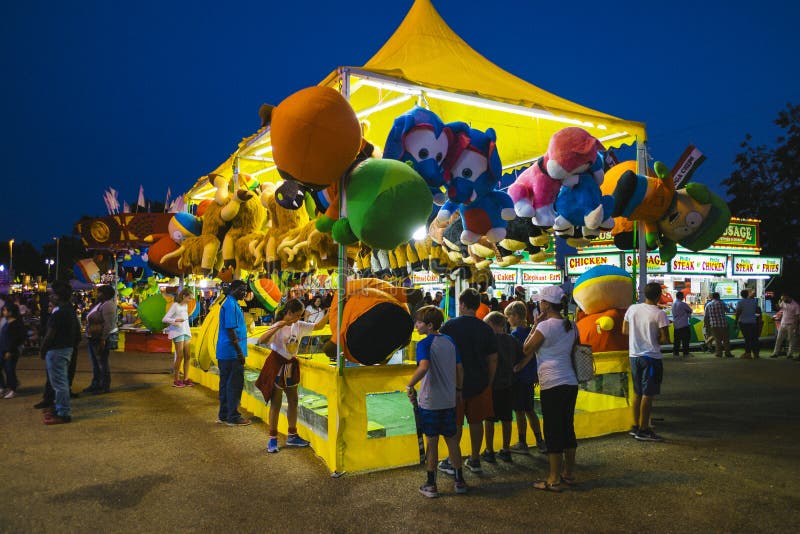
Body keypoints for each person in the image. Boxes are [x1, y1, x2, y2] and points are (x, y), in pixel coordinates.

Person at [405, 305, 467, 497]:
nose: (416, 325)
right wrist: (457, 390)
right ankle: (460, 481)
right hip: (448, 400)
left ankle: (431, 485)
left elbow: (424, 367)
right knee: (452, 440)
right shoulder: (449, 341)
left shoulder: (424, 344)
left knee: (431, 442)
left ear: (429, 325)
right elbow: (460, 368)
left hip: (430, 402)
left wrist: (409, 385)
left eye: (419, 322)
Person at [522, 285, 579, 491]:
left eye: (540, 301)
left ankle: (553, 478)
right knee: (567, 426)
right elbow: (573, 351)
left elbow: (526, 348)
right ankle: (569, 473)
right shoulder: (572, 325)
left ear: (545, 304)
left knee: (553, 429)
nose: (539, 304)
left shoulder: (544, 327)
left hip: (551, 382)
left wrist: (534, 325)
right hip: (570, 381)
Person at [256, 298, 329, 452]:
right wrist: (277, 327)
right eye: (297, 315)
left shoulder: (299, 325)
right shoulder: (278, 325)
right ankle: (272, 438)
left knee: (293, 401)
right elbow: (261, 340)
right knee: (275, 403)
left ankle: (292, 435)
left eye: (300, 315)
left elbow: (318, 326)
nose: (299, 318)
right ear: (288, 312)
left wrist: (329, 313)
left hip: (290, 365)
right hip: (277, 364)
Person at [437, 288, 497, 475]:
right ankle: (475, 459)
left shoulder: (449, 326)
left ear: (462, 305)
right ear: (477, 305)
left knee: (455, 424)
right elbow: (493, 358)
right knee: (476, 421)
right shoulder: (486, 328)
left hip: (455, 384)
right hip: (480, 382)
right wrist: (489, 380)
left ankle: (453, 461)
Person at [622, 282, 670, 442]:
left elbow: (624, 330)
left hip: (634, 355)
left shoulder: (632, 309)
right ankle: (644, 429)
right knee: (648, 394)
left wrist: (639, 335)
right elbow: (665, 339)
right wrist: (655, 336)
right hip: (651, 357)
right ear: (658, 296)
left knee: (637, 392)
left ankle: (635, 425)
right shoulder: (659, 314)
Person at [504, 300, 545, 454]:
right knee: (529, 410)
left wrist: (519, 365)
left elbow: (523, 353)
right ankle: (540, 440)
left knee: (520, 411)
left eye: (509, 317)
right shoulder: (531, 331)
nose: (508, 320)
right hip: (530, 376)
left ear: (515, 316)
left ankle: (522, 442)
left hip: (519, 377)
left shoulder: (515, 335)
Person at [40, 281, 79, 424]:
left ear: (58, 296)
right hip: (65, 349)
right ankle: (59, 408)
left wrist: (42, 349)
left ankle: (63, 413)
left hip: (57, 350)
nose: (50, 296)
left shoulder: (60, 312)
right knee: (60, 382)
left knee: (60, 384)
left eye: (52, 294)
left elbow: (50, 335)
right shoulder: (67, 309)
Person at [481, 312, 517, 464]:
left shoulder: (488, 341)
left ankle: (489, 451)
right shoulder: (511, 339)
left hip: (492, 385)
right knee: (507, 418)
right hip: (508, 384)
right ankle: (506, 450)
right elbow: (524, 354)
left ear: (492, 324)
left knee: (489, 419)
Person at [216, 280, 251, 426]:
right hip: (231, 353)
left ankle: (224, 414)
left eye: (245, 290)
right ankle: (233, 416)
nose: (244, 293)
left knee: (225, 384)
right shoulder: (230, 305)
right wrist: (240, 353)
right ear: (234, 289)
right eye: (241, 290)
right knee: (234, 385)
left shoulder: (231, 303)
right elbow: (231, 330)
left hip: (225, 353)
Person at [83, 285, 118, 394]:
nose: (97, 294)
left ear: (106, 294)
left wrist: (103, 338)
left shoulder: (108, 305)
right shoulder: (100, 304)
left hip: (100, 338)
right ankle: (96, 383)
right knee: (96, 363)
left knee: (102, 362)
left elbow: (108, 324)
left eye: (99, 292)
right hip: (94, 337)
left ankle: (103, 385)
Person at [163, 288, 193, 388]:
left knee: (187, 355)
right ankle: (176, 379)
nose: (190, 300)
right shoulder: (175, 305)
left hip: (186, 331)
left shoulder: (186, 305)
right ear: (184, 296)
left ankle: (185, 378)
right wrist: (176, 320)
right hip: (177, 332)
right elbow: (165, 319)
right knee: (180, 355)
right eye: (189, 298)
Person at [0, 303, 26, 399]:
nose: (3, 312)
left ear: (10, 312)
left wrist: (9, 351)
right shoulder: (7, 323)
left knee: (9, 370)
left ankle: (12, 389)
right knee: (6, 369)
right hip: (2, 349)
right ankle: (2, 387)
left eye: (4, 310)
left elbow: (16, 340)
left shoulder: (16, 324)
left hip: (10, 351)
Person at [735, 290, 762, 359]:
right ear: (747, 294)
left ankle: (748, 353)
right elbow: (757, 311)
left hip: (744, 323)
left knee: (747, 338)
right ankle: (756, 353)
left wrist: (735, 322)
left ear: (741, 295)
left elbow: (738, 312)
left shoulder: (740, 302)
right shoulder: (753, 301)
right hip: (753, 322)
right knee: (754, 338)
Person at [705, 293, 733, 358]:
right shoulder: (722, 303)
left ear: (712, 297)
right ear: (718, 297)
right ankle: (727, 353)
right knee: (726, 340)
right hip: (723, 324)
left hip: (714, 325)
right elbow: (728, 310)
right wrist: (730, 306)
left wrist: (707, 325)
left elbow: (706, 317)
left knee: (717, 340)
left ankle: (719, 353)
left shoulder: (708, 305)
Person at [671, 292, 693, 359]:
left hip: (676, 325)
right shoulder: (682, 304)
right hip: (683, 324)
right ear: (681, 296)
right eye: (683, 296)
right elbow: (690, 310)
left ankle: (676, 354)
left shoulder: (673, 304)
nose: (683, 297)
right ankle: (686, 353)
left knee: (677, 340)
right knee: (685, 340)